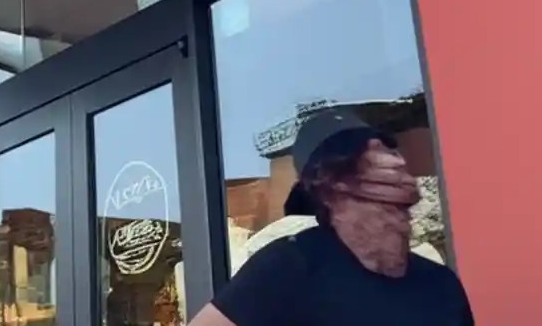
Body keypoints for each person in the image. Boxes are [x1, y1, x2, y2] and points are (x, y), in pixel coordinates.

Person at [189, 109, 474, 325]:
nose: (395, 163)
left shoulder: (441, 284)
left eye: (388, 151)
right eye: (365, 157)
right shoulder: (290, 265)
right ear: (328, 187)